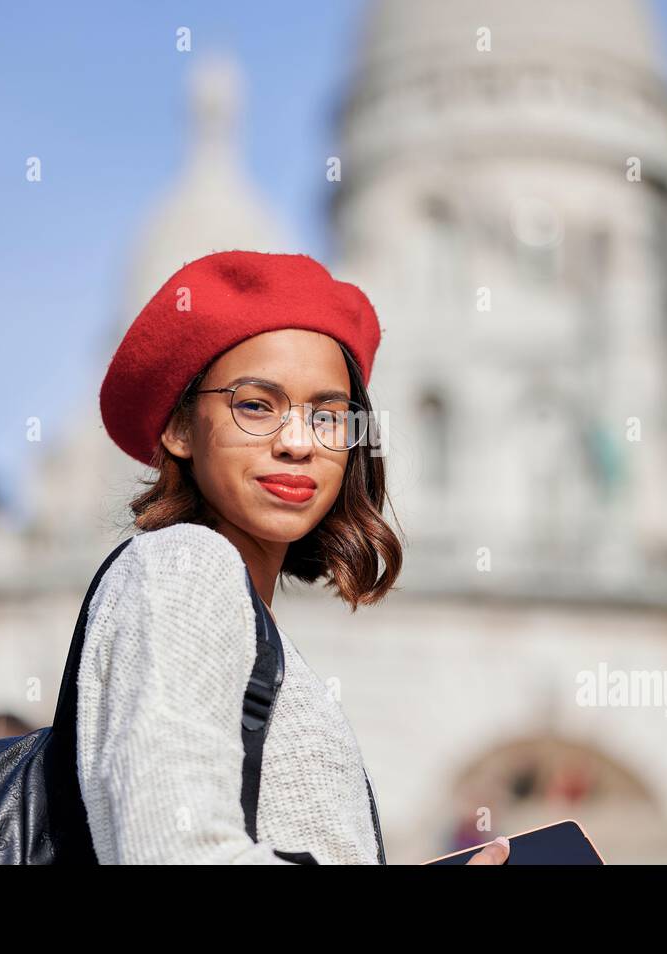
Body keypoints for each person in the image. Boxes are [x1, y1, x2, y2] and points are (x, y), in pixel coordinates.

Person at [75, 249, 509, 865]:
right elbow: (178, 853)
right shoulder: (184, 566)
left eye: (329, 416)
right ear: (178, 429)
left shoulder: (242, 609)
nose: (299, 443)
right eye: (256, 405)